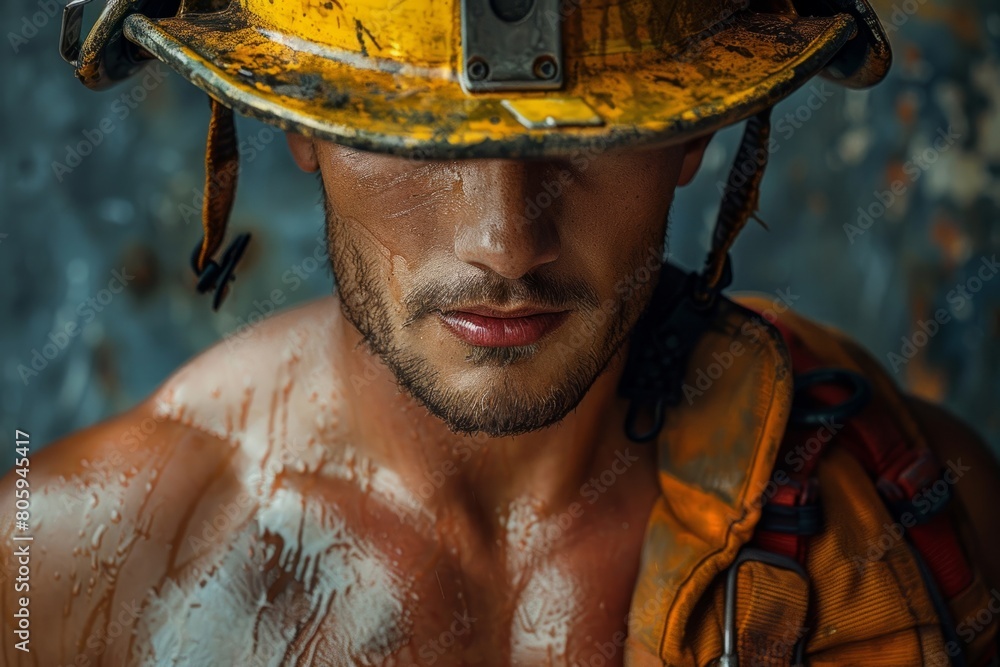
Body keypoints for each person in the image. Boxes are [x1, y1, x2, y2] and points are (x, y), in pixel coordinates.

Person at [3, 0, 999, 664]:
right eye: (418, 139)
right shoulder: (65, 562)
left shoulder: (915, 507)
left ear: (700, 128)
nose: (504, 242)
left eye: (584, 131)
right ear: (292, 119)